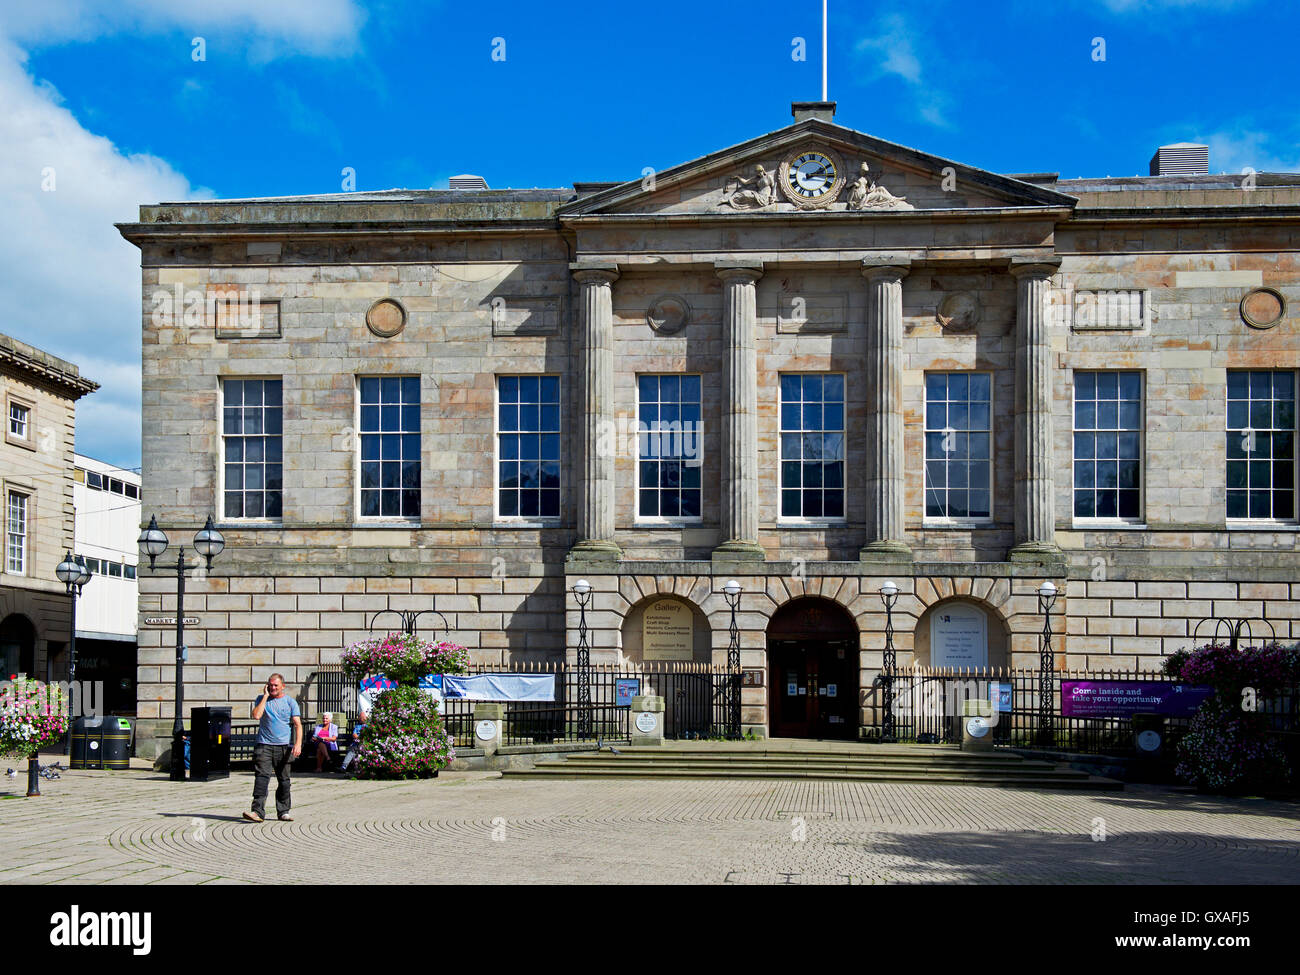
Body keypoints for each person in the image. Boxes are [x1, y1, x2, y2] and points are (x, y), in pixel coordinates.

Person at [243, 673, 301, 823]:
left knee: (284, 781)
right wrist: (264, 697)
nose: (273, 687)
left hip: (283, 747)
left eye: (276, 685)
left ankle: (283, 811)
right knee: (261, 779)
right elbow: (256, 716)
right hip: (264, 746)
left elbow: (297, 724)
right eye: (270, 685)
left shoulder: (290, 702)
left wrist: (298, 743)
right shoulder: (262, 699)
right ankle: (257, 812)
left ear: (283, 686)